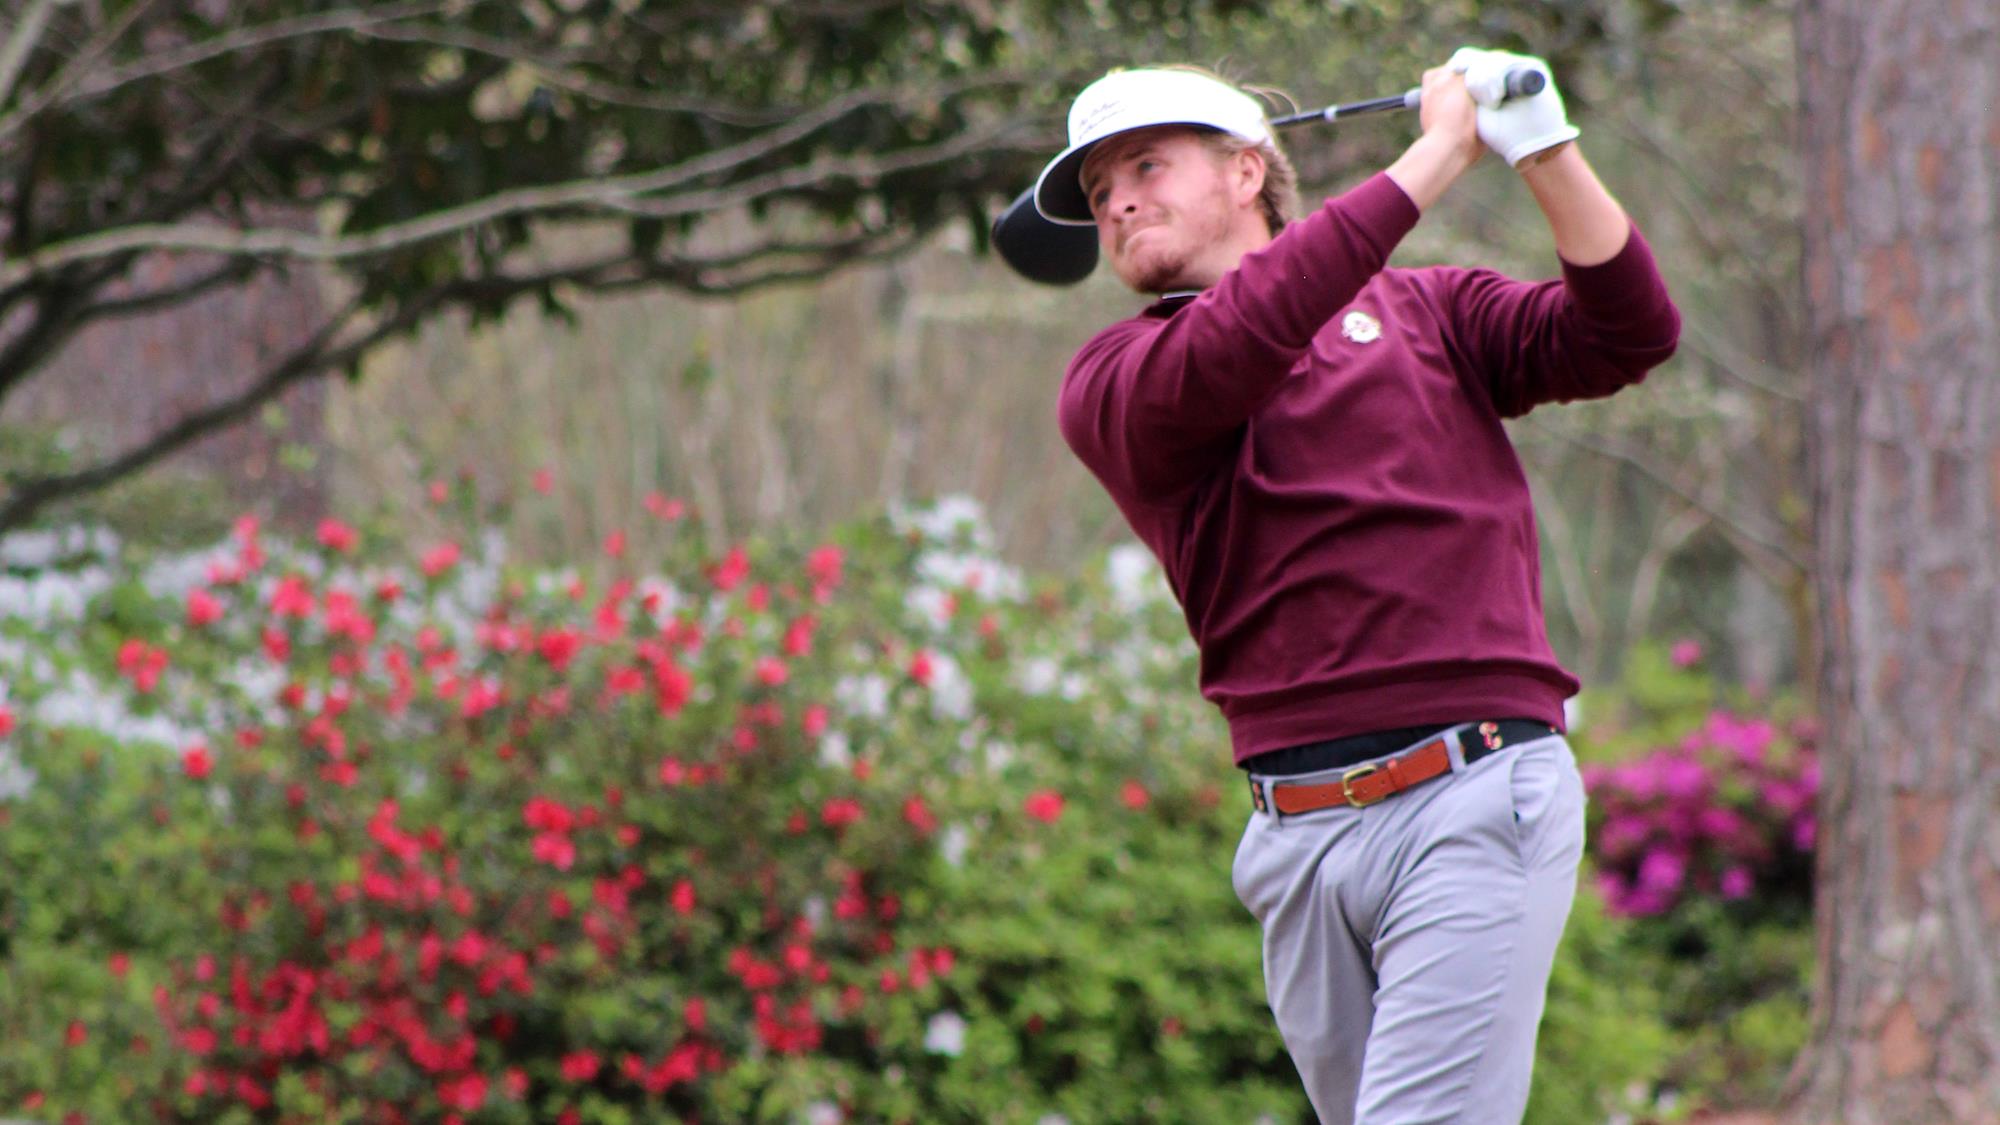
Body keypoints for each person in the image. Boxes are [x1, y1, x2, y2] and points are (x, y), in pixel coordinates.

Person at [1031, 49, 1680, 1125]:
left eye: (1144, 166)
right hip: (1294, 842)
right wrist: (1433, 154)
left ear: (1246, 173)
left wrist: (1543, 150)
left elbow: (1626, 332)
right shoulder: (1114, 381)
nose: (1118, 202)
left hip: (1470, 791)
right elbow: (1246, 331)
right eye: (1099, 193)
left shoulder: (1429, 314)